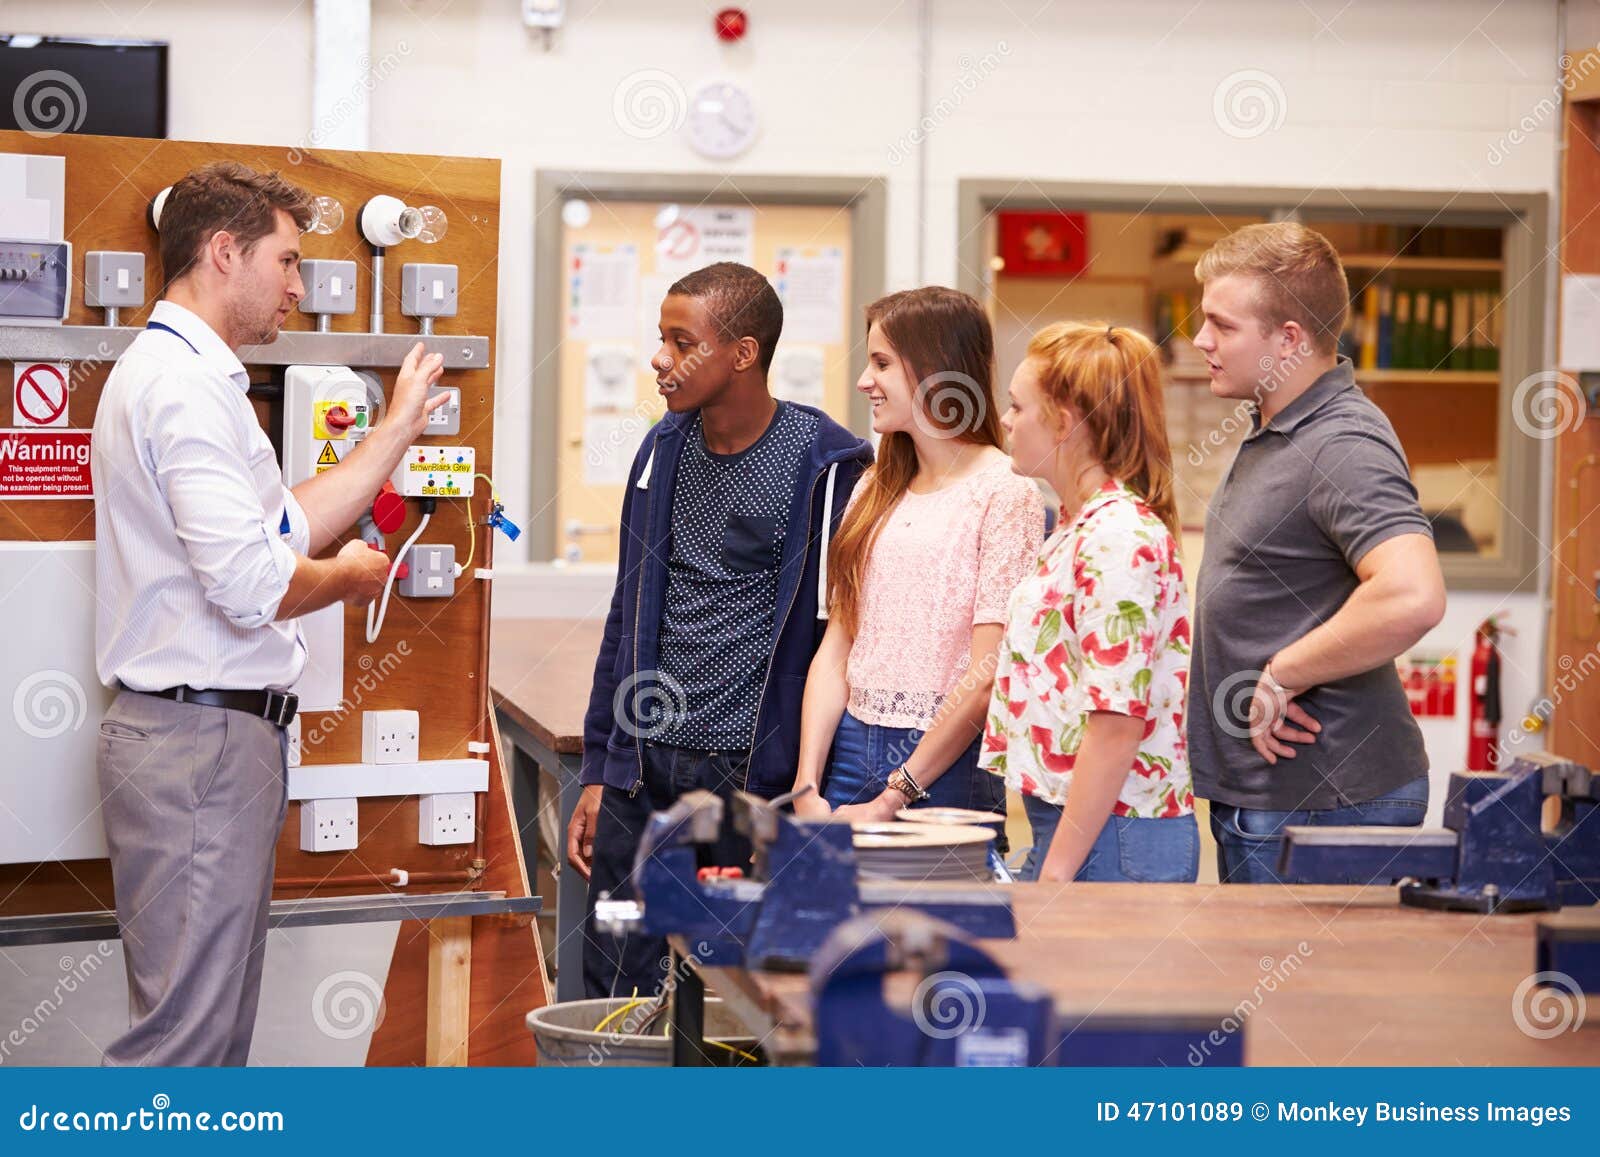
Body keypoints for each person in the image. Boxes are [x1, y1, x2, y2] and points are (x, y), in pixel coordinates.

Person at [92, 161, 447, 1065]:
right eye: (286, 261)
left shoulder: (191, 378)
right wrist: (349, 576)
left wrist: (396, 429)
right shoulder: (181, 388)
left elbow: (282, 525)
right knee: (183, 1046)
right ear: (223, 251)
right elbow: (254, 582)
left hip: (207, 742)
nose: (298, 285)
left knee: (205, 1036)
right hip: (201, 744)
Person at [569, 262, 873, 998]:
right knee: (616, 972)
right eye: (661, 339)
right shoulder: (661, 450)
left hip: (748, 781)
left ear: (743, 353)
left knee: (730, 994)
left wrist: (808, 784)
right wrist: (601, 768)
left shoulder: (827, 463)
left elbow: (841, 638)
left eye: (682, 342)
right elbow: (626, 613)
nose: (660, 359)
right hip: (643, 772)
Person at [1186, 222, 1446, 883]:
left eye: (1222, 325)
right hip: (1276, 796)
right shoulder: (1279, 427)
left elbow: (1413, 595)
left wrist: (1284, 672)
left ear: (1289, 339)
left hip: (1322, 799)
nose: (1200, 340)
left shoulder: (1341, 442)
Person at [791, 287, 1042, 827]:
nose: (865, 381)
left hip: (947, 762)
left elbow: (987, 673)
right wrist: (806, 783)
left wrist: (892, 797)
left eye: (881, 363)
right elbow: (838, 646)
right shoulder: (873, 489)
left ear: (935, 369)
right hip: (848, 748)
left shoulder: (1007, 491)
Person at [982, 322, 1198, 882]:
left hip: (1113, 832)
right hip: (1082, 822)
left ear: (1064, 422)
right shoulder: (1078, 525)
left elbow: (1116, 725)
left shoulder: (1116, 538)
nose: (1005, 420)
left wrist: (1056, 873)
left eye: (1017, 406)